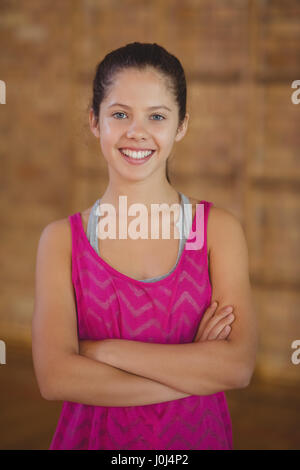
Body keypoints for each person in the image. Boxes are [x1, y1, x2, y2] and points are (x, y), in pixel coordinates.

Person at [32, 42, 258, 450]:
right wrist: (194, 372)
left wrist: (102, 352)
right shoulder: (62, 240)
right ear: (95, 122)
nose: (137, 132)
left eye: (157, 116)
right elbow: (56, 378)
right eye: (120, 114)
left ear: (181, 126)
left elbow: (237, 367)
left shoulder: (217, 231)